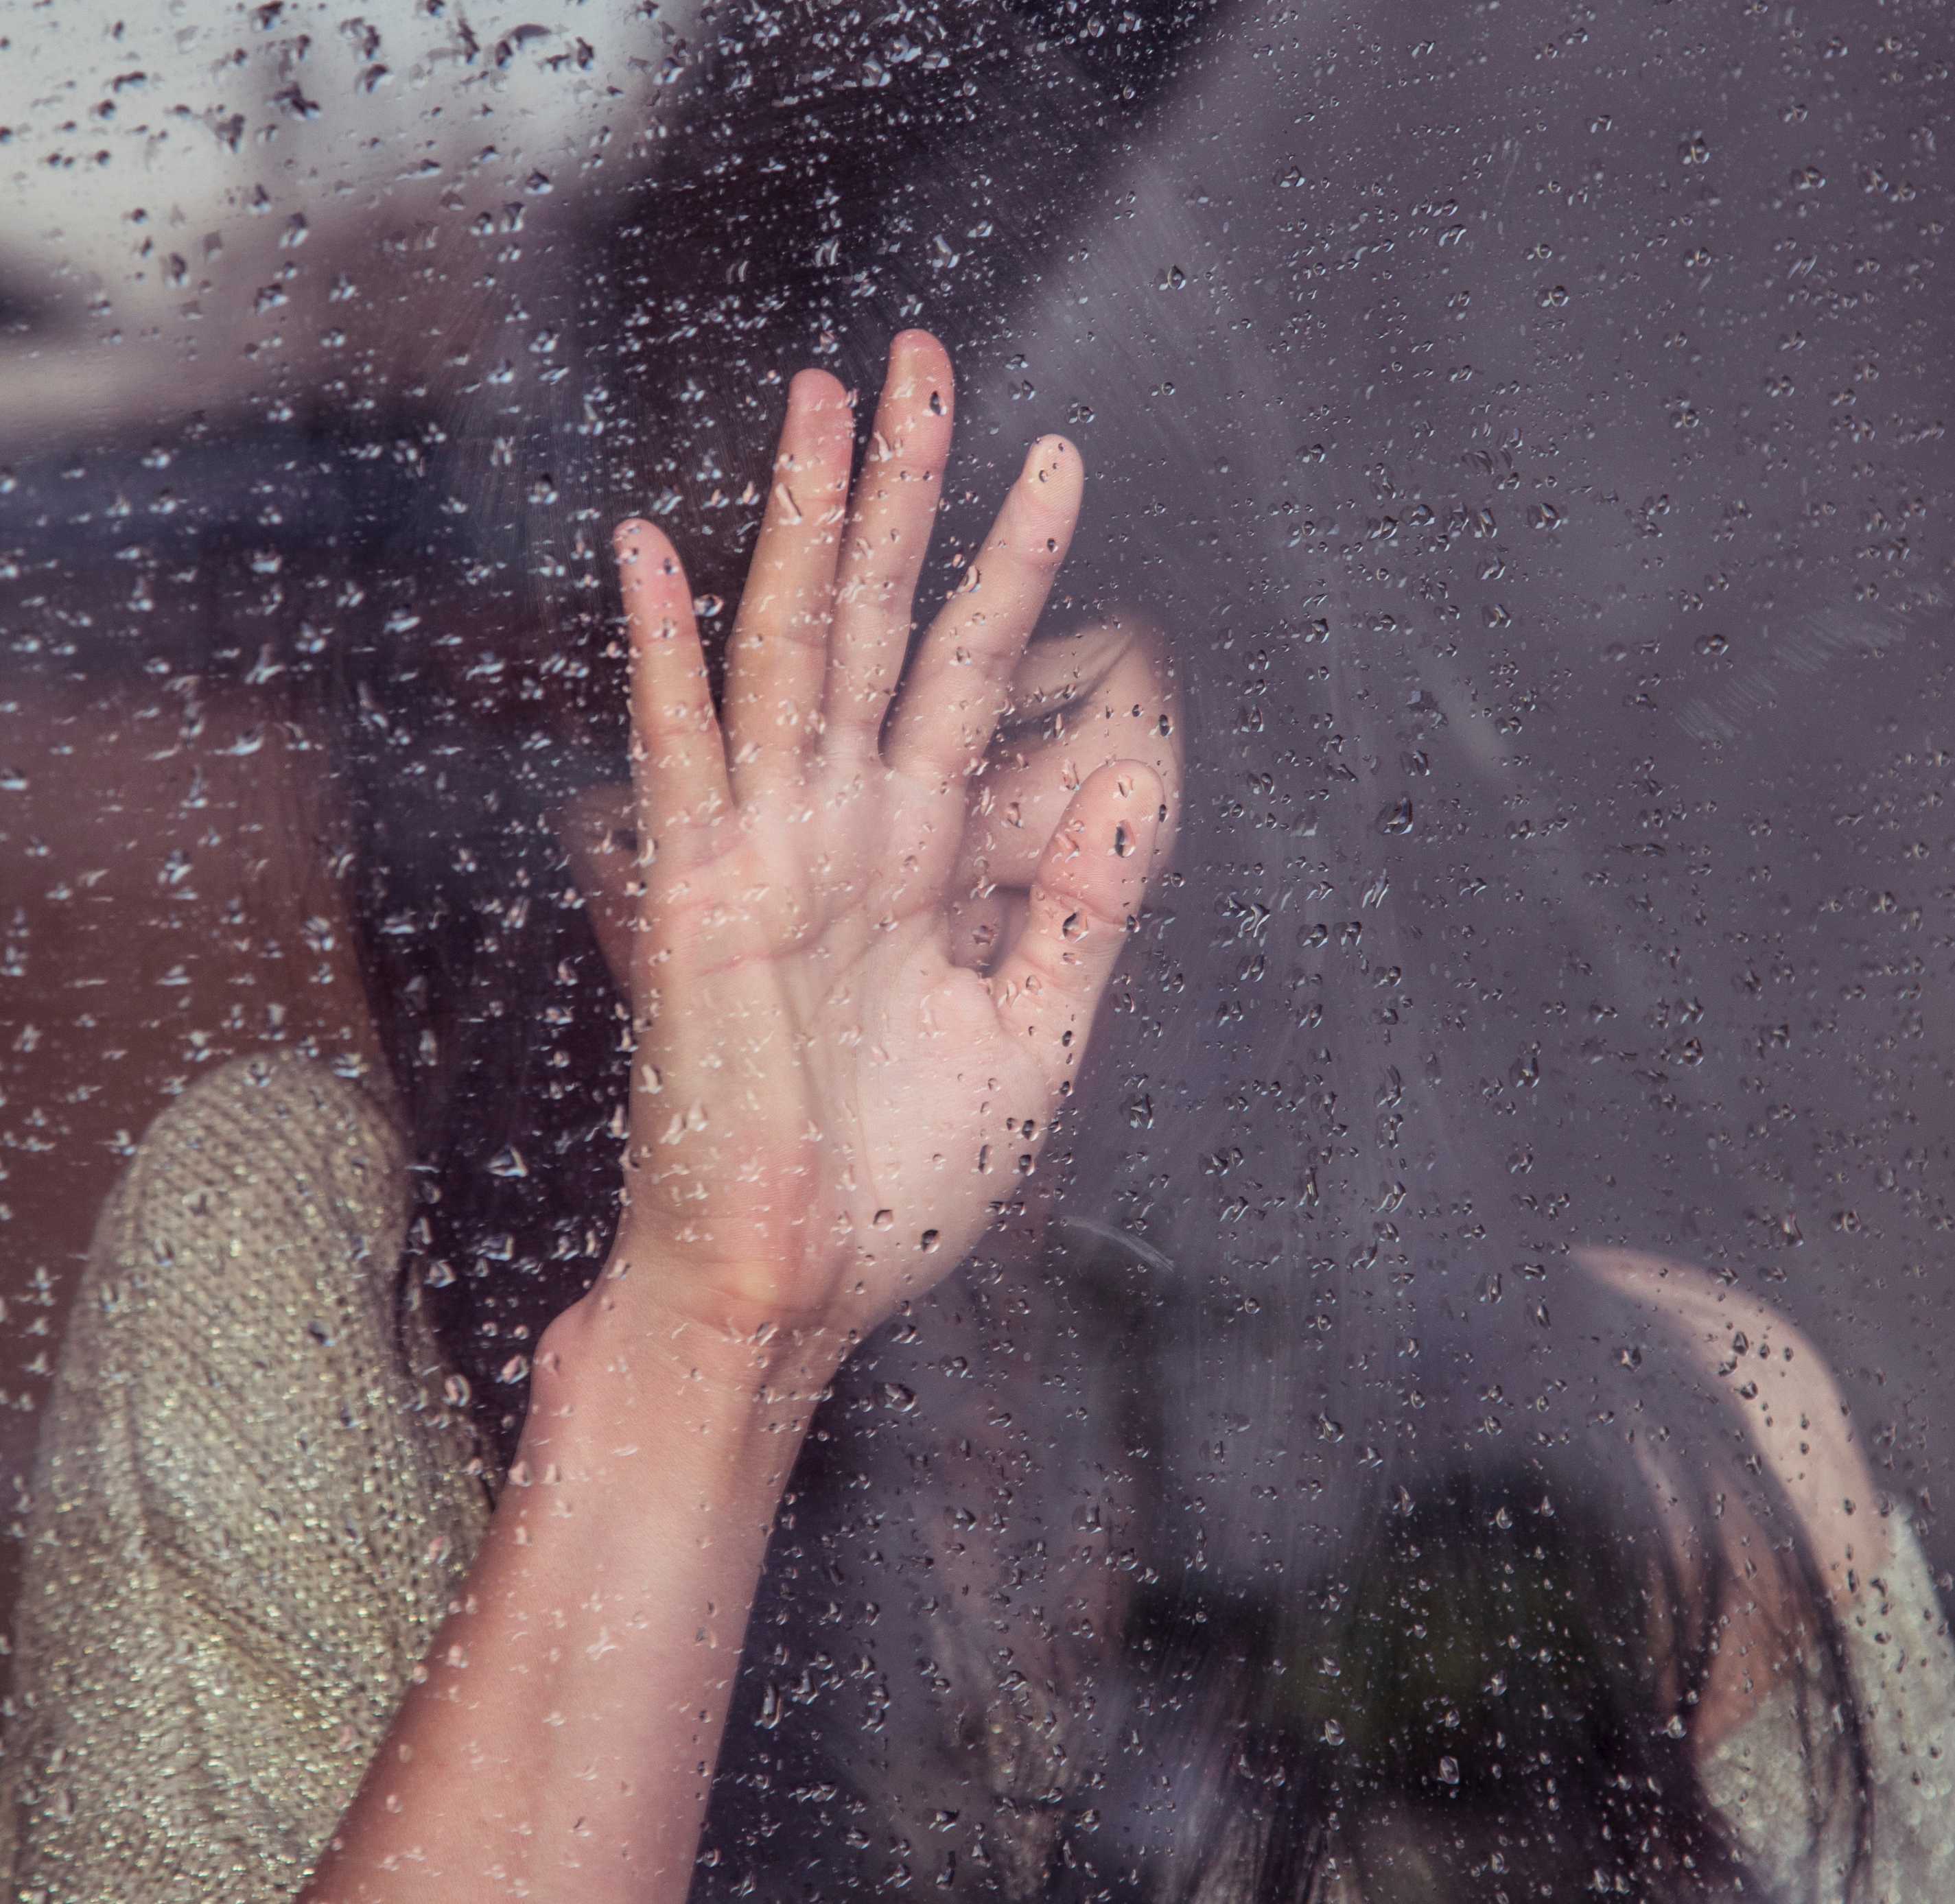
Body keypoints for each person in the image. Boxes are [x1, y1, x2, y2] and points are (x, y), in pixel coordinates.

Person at [1, 325, 1950, 1904]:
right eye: (711, 791)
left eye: (1004, 731)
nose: (875, 888)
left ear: (1230, 706)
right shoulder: (323, 1279)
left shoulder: (1639, 1456)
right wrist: (715, 1339)